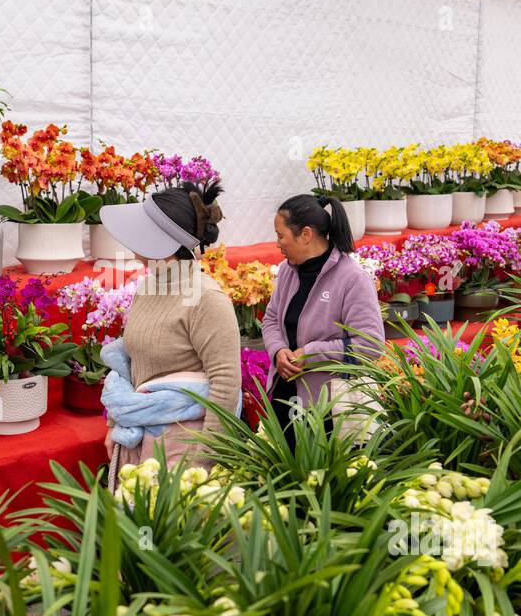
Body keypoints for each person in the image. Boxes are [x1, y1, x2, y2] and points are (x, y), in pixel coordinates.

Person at [97, 180, 241, 478]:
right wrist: (115, 426)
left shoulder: (207, 299)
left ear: (160, 241)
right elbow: (129, 362)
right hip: (139, 442)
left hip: (184, 450)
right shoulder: (149, 287)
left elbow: (225, 385)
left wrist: (203, 464)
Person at [262, 194, 385, 436]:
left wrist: (311, 355)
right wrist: (278, 351)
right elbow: (271, 320)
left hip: (331, 407)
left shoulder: (352, 279)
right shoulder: (288, 271)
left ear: (306, 234)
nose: (277, 244)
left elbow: (370, 345)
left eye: (280, 236)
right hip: (286, 398)